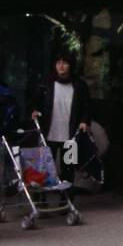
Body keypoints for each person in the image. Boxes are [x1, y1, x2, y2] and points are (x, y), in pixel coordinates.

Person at [31, 51, 92, 191]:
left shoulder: (79, 85)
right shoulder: (46, 83)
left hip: (71, 136)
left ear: (71, 66)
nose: (61, 66)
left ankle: (66, 202)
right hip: (48, 133)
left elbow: (87, 105)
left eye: (65, 63)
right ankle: (42, 201)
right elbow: (36, 101)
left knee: (68, 170)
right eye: (58, 63)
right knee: (44, 169)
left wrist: (84, 121)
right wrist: (34, 110)